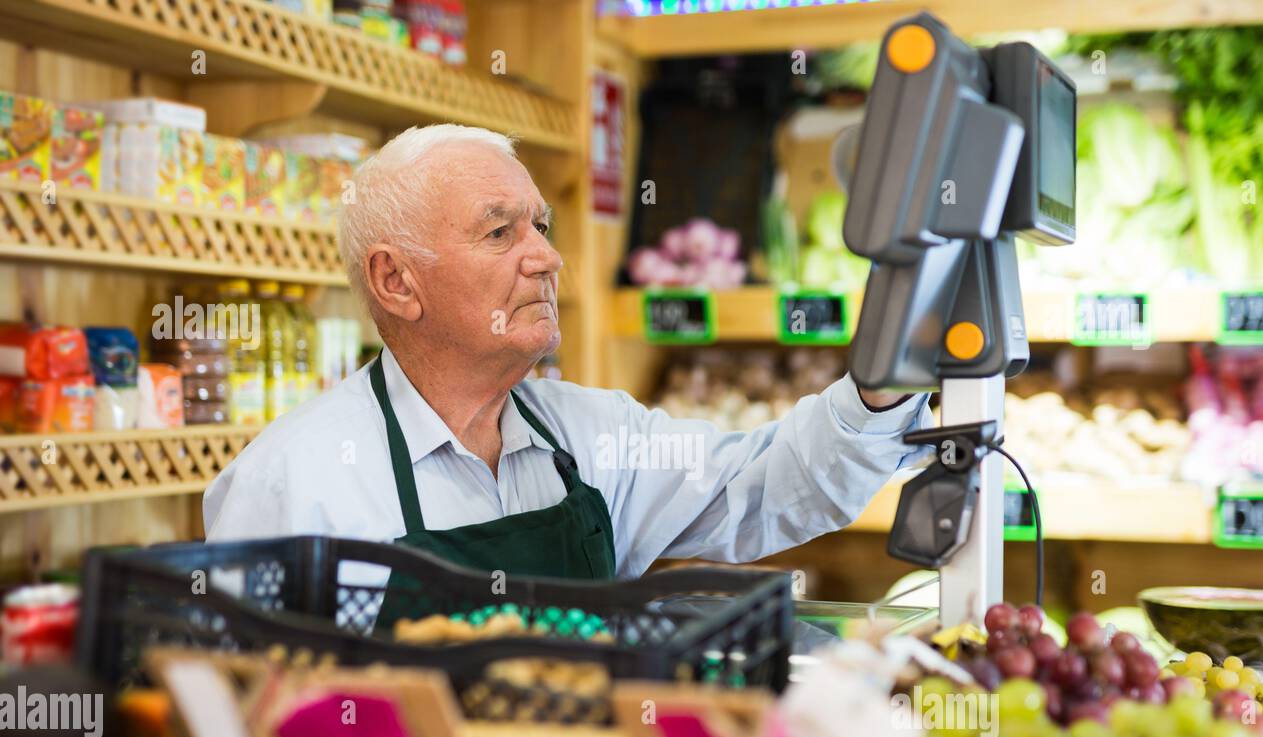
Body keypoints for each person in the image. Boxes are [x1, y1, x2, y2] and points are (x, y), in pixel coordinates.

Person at [204, 124, 932, 585]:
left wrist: (881, 385)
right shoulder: (292, 483)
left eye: (541, 227)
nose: (548, 258)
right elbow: (244, 728)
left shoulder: (590, 435)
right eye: (500, 234)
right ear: (396, 281)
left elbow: (769, 487)